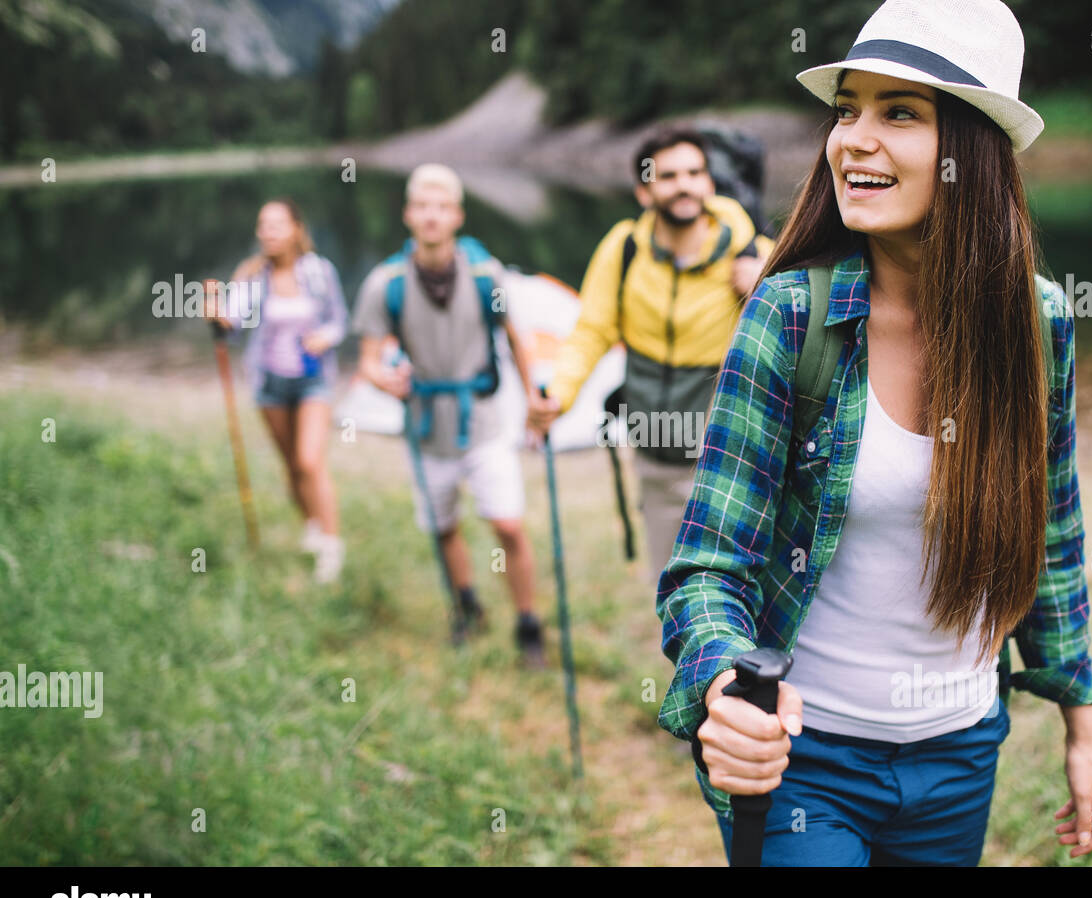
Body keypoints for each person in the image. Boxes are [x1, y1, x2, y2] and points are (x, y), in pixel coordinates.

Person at [656, 0, 1092, 866]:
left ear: (972, 151)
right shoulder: (790, 317)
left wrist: (1080, 726)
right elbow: (708, 564)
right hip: (804, 757)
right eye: (847, 110)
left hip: (961, 750)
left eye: (898, 112)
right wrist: (722, 682)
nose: (851, 140)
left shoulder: (1040, 322)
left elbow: (1052, 534)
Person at [527, 126, 774, 585]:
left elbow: (806, 333)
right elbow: (591, 331)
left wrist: (765, 288)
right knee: (670, 590)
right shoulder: (624, 250)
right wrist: (558, 396)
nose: (685, 185)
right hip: (655, 455)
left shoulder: (755, 257)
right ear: (644, 191)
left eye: (696, 172)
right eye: (669, 175)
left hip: (728, 459)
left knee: (733, 589)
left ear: (709, 182)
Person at [353, 164, 548, 666]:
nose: (432, 216)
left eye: (441, 207)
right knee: (443, 527)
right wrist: (383, 379)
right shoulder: (385, 284)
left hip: (483, 422)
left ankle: (528, 622)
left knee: (506, 525)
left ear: (457, 215)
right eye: (422, 207)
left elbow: (517, 338)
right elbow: (369, 360)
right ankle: (466, 606)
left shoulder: (488, 276)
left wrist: (534, 398)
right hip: (425, 427)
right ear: (408, 216)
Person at [211, 198, 348, 583]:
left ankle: (332, 546)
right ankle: (312, 525)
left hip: (313, 380)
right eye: (262, 225)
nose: (267, 232)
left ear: (296, 230)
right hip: (269, 383)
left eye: (276, 224)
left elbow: (340, 321)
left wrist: (325, 337)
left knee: (309, 461)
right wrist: (215, 314)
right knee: (291, 465)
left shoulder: (320, 273)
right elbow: (231, 325)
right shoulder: (252, 276)